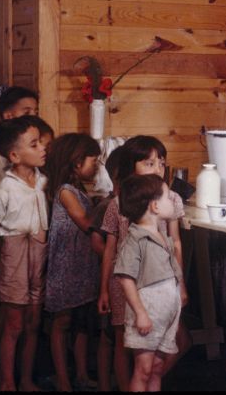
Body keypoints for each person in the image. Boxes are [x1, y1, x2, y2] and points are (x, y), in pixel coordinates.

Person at [97, 136, 191, 391]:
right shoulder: (118, 204)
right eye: (149, 163)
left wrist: (180, 284)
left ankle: (141, 384)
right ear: (132, 167)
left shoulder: (170, 199)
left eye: (161, 163)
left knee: (164, 346)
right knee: (122, 340)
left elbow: (176, 243)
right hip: (126, 283)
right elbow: (110, 249)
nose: (158, 169)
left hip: (161, 285)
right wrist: (104, 288)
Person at [0, 86, 41, 382]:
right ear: (8, 115)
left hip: (29, 244)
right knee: (4, 308)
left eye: (35, 112)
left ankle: (18, 373)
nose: (34, 116)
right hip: (4, 235)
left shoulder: (34, 159)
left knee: (24, 314)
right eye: (28, 112)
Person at [0, 116, 49, 391]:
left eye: (41, 142)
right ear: (14, 155)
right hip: (14, 256)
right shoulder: (5, 188)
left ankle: (26, 378)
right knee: (14, 324)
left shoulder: (43, 181)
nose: (43, 148)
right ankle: (8, 381)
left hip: (39, 253)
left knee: (34, 322)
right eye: (34, 144)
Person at [114, 174, 184, 392]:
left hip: (167, 313)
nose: (172, 201)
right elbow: (126, 278)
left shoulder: (162, 236)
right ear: (154, 206)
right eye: (167, 197)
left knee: (156, 367)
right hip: (148, 313)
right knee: (143, 369)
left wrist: (179, 290)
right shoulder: (135, 240)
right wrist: (140, 313)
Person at [44, 133, 102, 391]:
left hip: (82, 267)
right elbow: (86, 223)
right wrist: (108, 208)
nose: (97, 166)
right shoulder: (66, 192)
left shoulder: (80, 190)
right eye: (94, 160)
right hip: (67, 268)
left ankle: (80, 375)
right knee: (63, 321)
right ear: (77, 162)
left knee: (81, 321)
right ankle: (64, 380)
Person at [89, 145, 125, 391]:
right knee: (107, 337)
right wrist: (115, 263)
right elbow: (96, 240)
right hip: (109, 277)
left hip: (126, 280)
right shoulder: (108, 205)